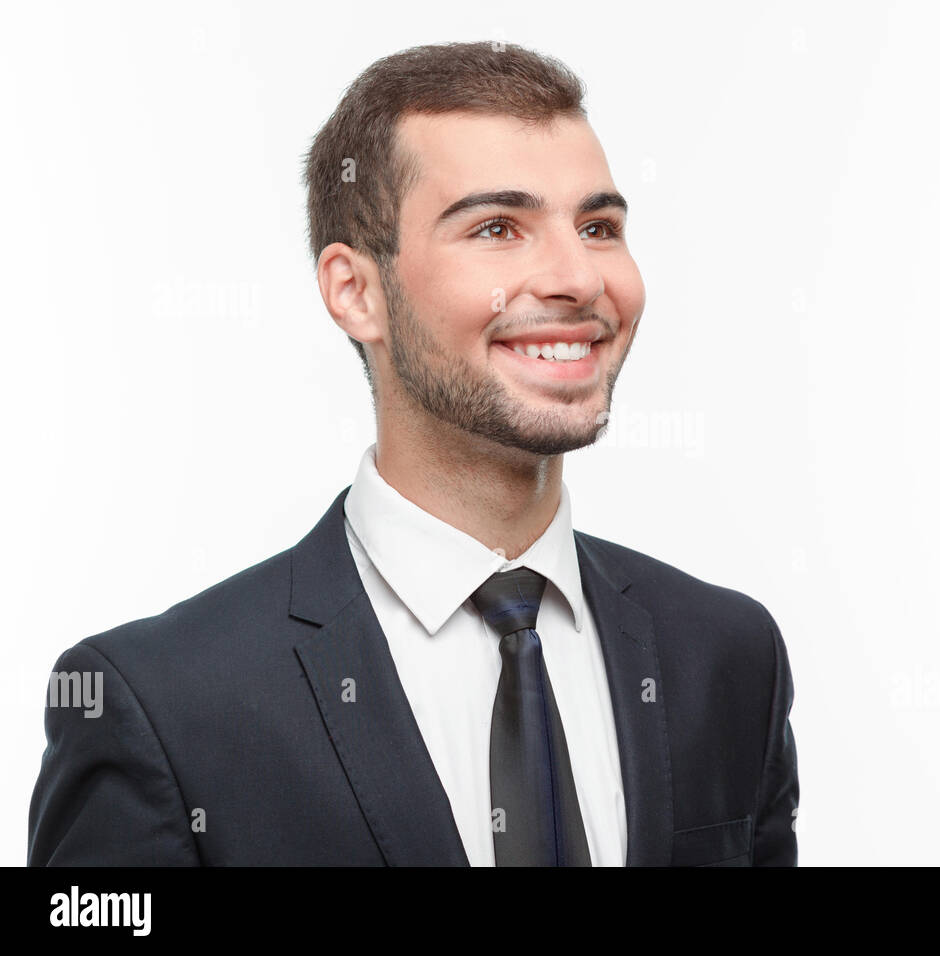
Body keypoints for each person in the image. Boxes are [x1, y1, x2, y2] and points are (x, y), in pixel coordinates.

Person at [28, 41, 798, 866]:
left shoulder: (726, 656)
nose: (578, 276)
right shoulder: (164, 704)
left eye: (598, 226)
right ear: (356, 291)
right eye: (498, 227)